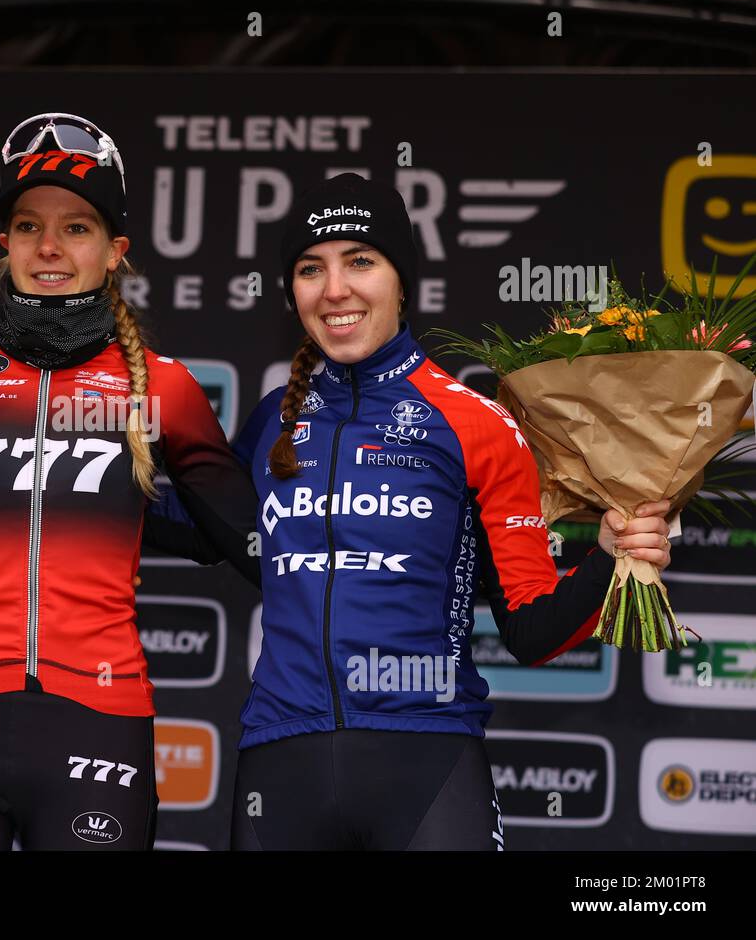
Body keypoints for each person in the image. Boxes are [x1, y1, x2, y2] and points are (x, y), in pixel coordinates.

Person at [218, 172, 674, 850]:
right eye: (311, 268)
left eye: (361, 261)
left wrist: (612, 557)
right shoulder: (268, 425)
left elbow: (531, 631)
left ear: (403, 282)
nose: (335, 289)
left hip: (428, 762)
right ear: (292, 292)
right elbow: (195, 529)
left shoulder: (475, 424)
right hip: (280, 759)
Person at [0, 112, 259, 850]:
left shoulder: (163, 388)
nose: (48, 247)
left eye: (76, 228)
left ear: (115, 252)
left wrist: (122, 514)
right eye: (27, 226)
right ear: (3, 243)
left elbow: (241, 539)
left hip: (99, 718)